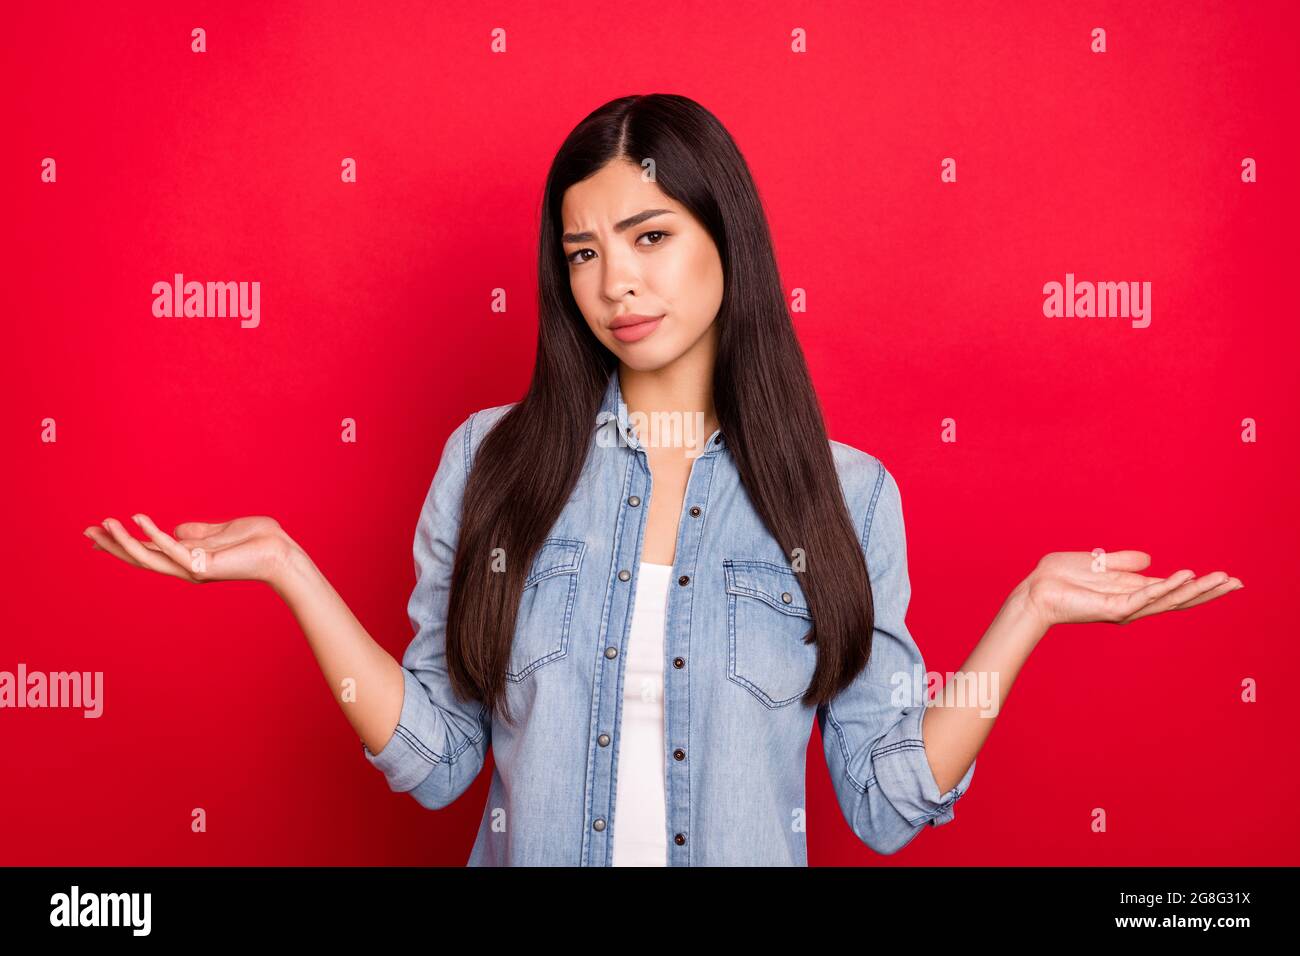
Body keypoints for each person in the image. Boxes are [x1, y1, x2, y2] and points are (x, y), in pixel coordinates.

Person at [84, 93, 1242, 866]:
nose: (614, 283)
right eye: (583, 252)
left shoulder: (845, 493)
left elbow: (885, 799)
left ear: (723, 241)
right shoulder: (491, 460)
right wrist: (291, 570)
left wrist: (1027, 611)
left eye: (649, 236)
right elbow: (438, 762)